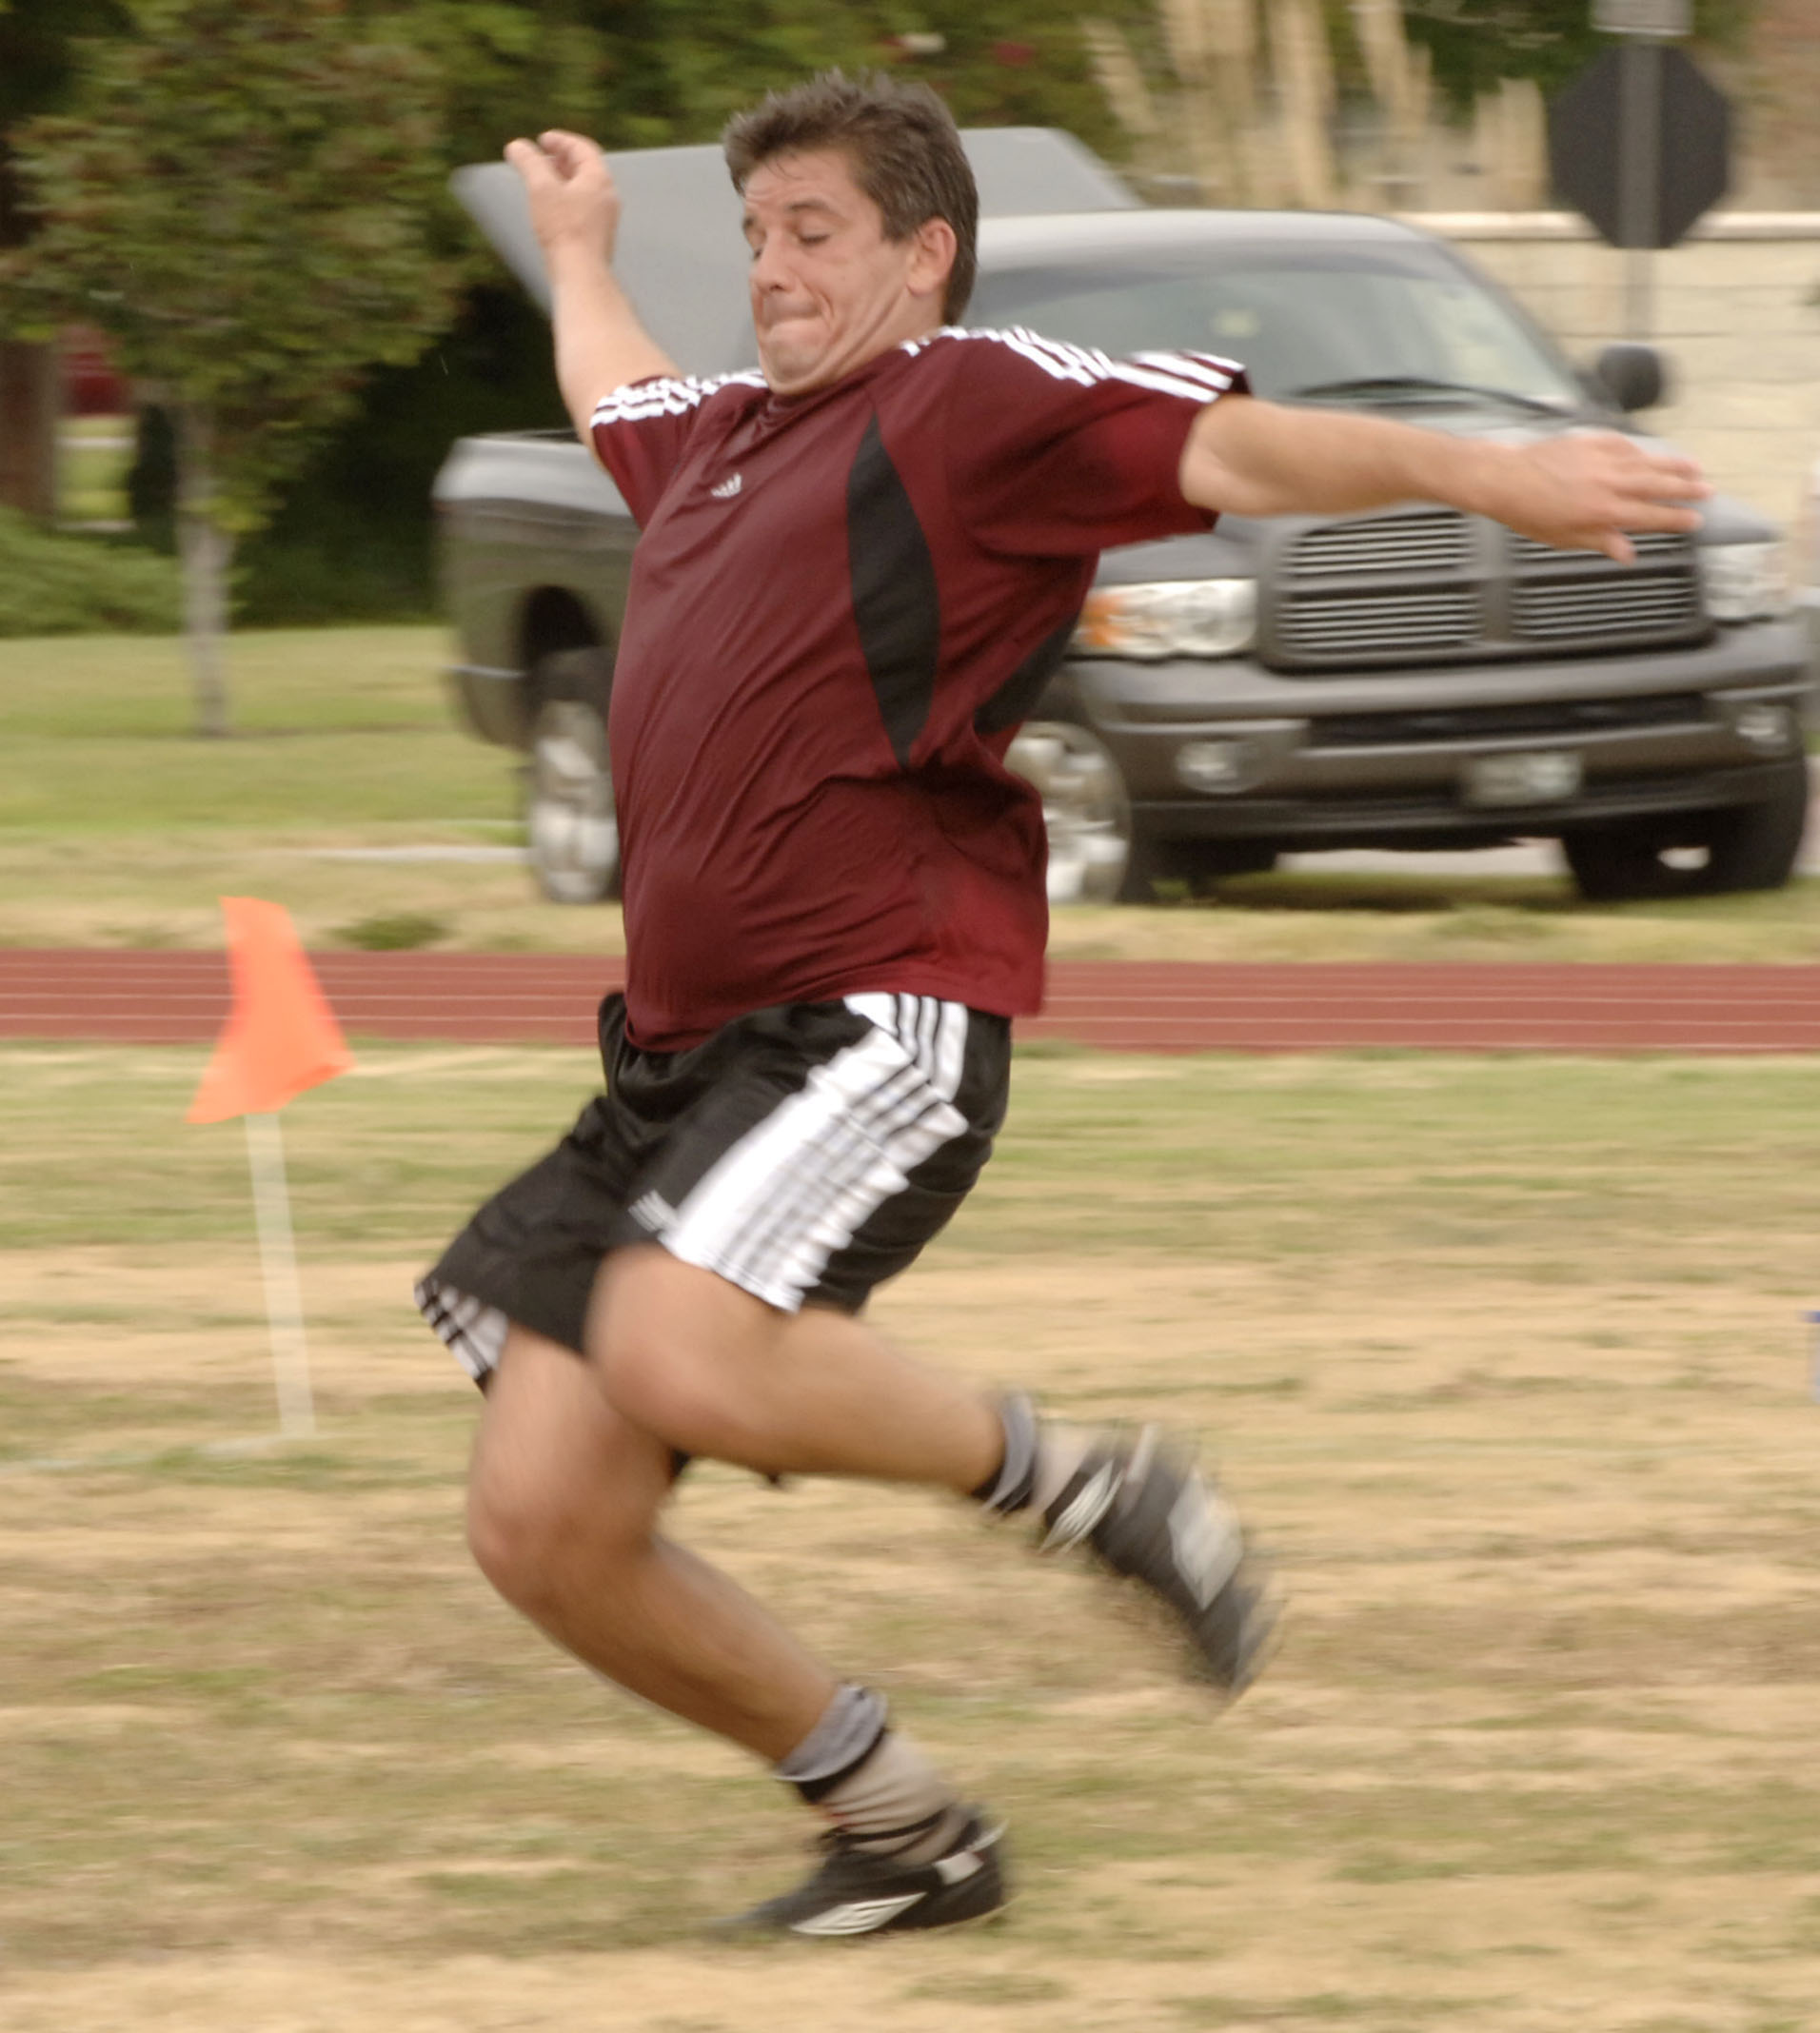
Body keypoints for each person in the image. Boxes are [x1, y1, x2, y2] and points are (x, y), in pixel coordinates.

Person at [413, 69, 1709, 1939]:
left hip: (873, 1012)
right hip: (679, 1066)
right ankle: (906, 1836)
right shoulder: (705, 440)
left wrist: (1490, 468)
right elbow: (610, 378)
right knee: (540, 1522)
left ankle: (1098, 1492)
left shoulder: (971, 404)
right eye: (756, 234)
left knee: (678, 1347)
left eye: (815, 234)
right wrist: (577, 248)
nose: (770, 270)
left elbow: (1244, 460)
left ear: (924, 256)